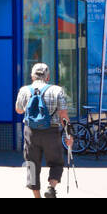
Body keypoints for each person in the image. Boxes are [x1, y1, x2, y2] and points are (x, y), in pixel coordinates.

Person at [14, 62, 73, 199]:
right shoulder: (57, 90)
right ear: (48, 76)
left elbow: (18, 110)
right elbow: (63, 114)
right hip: (51, 132)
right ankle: (51, 187)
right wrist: (69, 135)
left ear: (32, 76)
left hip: (30, 132)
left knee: (32, 165)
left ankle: (37, 196)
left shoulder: (24, 90)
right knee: (57, 162)